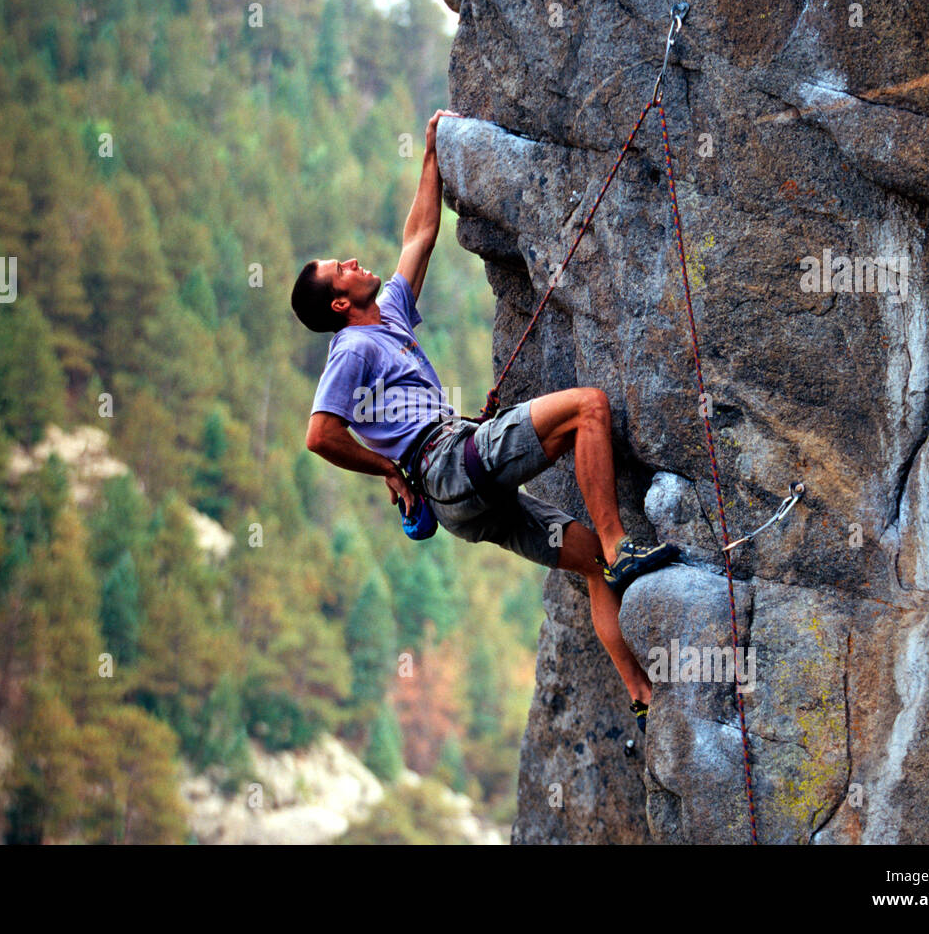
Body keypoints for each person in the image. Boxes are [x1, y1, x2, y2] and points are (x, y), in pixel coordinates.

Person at [290, 109, 677, 732]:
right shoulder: (352, 348)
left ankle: (641, 693)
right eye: (343, 269)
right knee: (589, 408)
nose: (355, 261)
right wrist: (389, 465)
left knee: (589, 569)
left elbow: (419, 236)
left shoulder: (387, 312)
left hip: (460, 500)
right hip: (448, 464)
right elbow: (320, 434)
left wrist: (431, 155)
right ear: (339, 302)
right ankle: (619, 543)